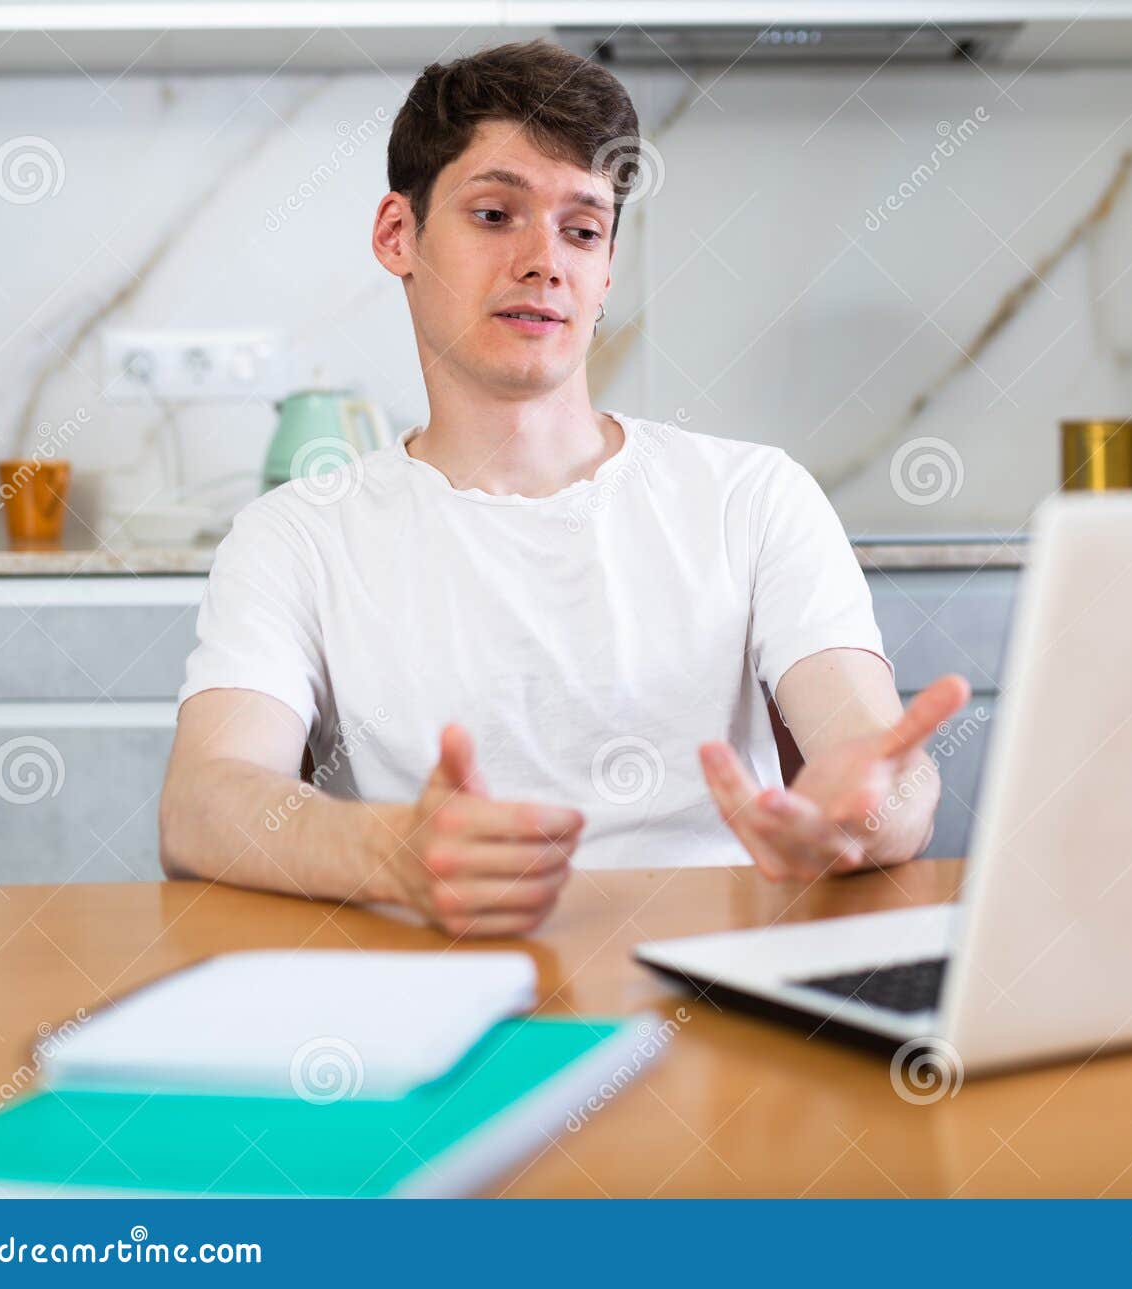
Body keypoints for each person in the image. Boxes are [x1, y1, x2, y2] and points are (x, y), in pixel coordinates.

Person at [159, 39, 969, 938]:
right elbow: (202, 802)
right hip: (434, 984)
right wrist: (392, 853)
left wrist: (866, 811)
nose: (544, 260)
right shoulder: (296, 534)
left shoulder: (754, 496)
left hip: (713, 982)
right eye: (495, 214)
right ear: (398, 235)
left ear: (606, 270)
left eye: (581, 230)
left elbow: (879, 769)